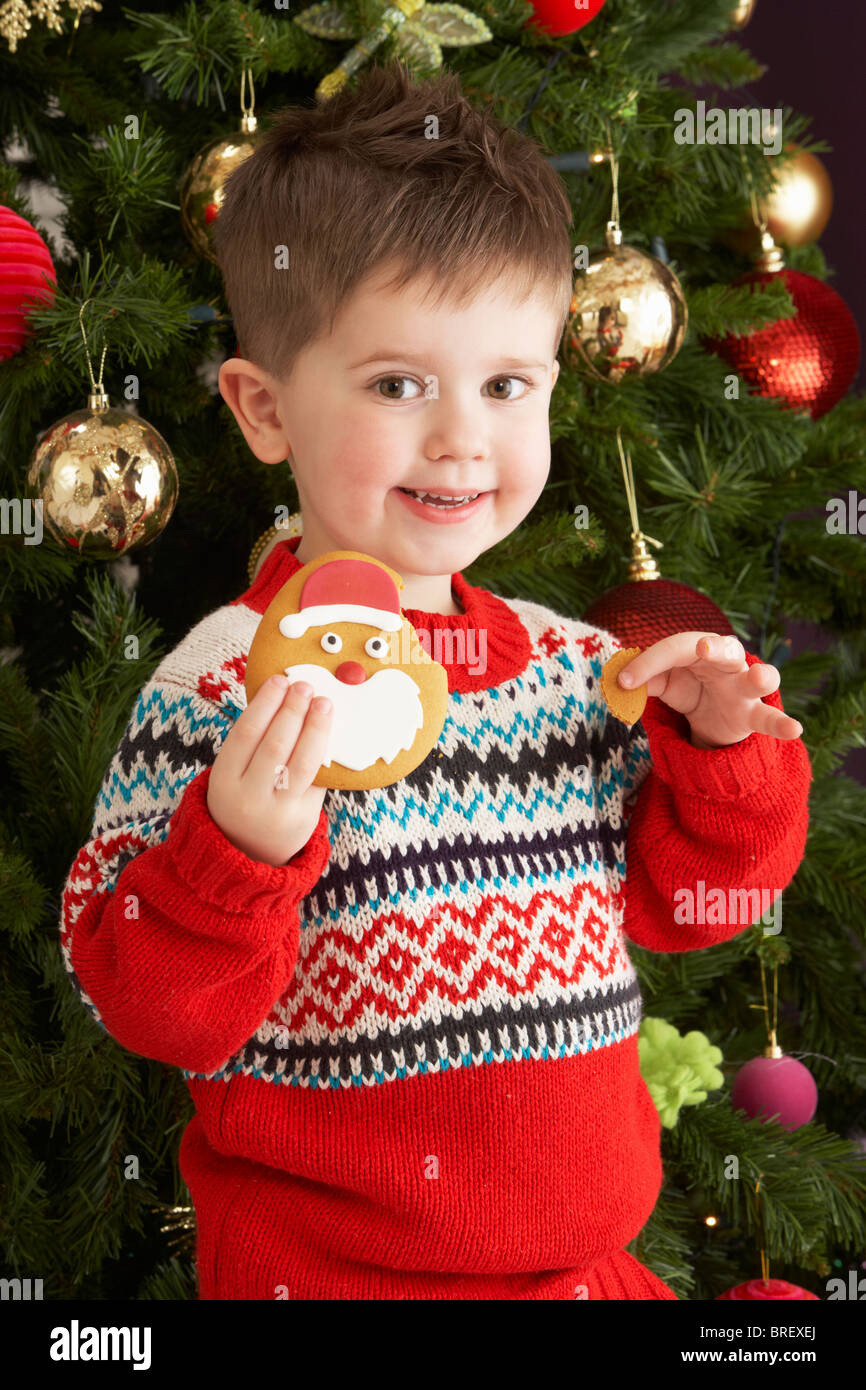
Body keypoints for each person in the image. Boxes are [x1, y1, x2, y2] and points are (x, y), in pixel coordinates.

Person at [59, 59, 812, 1301]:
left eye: (506, 385)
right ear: (263, 410)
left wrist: (726, 760)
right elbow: (147, 1010)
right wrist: (234, 852)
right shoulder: (216, 693)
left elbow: (701, 911)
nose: (463, 436)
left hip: (586, 1275)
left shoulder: (581, 672)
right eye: (398, 384)